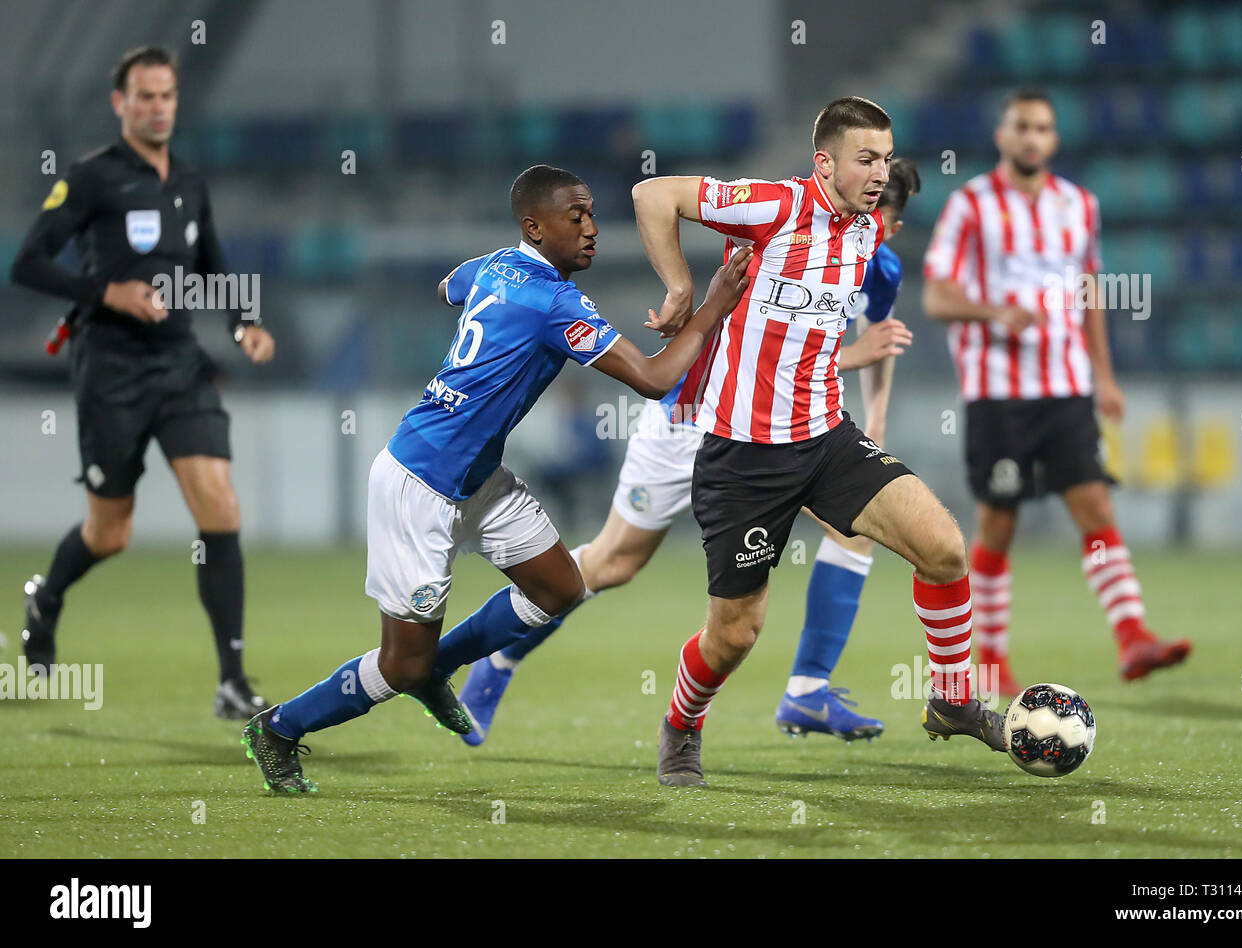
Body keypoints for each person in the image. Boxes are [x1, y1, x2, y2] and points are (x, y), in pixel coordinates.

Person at [240, 164, 752, 793]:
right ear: (535, 227)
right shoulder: (551, 300)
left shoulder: (498, 267)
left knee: (560, 588)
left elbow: (446, 287)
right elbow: (653, 379)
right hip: (419, 483)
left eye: (591, 214)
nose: (592, 229)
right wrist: (713, 307)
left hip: (478, 477)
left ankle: (435, 668)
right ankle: (279, 728)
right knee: (400, 664)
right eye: (577, 218)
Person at [442, 161, 923, 747]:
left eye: (885, 219)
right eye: (878, 214)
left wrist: (871, 427)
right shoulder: (787, 233)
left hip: (780, 432)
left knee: (855, 529)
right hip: (691, 416)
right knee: (613, 563)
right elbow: (749, 341)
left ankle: (806, 690)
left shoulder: (879, 263)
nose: (878, 227)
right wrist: (852, 356)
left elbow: (880, 342)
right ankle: (497, 662)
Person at [633, 96, 1005, 789]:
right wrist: (682, 285)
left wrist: (866, 377)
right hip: (742, 457)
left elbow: (816, 334)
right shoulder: (772, 204)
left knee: (946, 550)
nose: (879, 173)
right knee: (735, 635)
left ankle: (952, 698)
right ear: (823, 162)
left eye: (886, 159)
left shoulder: (866, 236)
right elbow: (652, 194)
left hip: (827, 439)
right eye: (866, 159)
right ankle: (682, 724)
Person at [9, 46, 275, 719]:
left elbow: (213, 262)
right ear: (119, 103)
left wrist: (244, 322)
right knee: (111, 532)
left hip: (179, 364)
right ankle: (48, 597)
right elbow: (29, 263)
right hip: (112, 368)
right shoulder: (92, 178)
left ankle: (232, 681)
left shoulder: (188, 180)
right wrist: (108, 292)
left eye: (167, 96)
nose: (158, 107)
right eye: (145, 96)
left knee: (220, 504)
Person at [921, 87, 1191, 692]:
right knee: (999, 524)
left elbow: (1091, 293)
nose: (1031, 137)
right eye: (1021, 126)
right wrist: (994, 312)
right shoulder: (970, 205)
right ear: (1002, 135)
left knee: (1095, 505)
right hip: (998, 391)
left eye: (1042, 128)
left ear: (1054, 139)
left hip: (1066, 385)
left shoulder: (1080, 205)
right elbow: (937, 295)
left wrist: (1105, 376)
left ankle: (1132, 636)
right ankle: (988, 659)